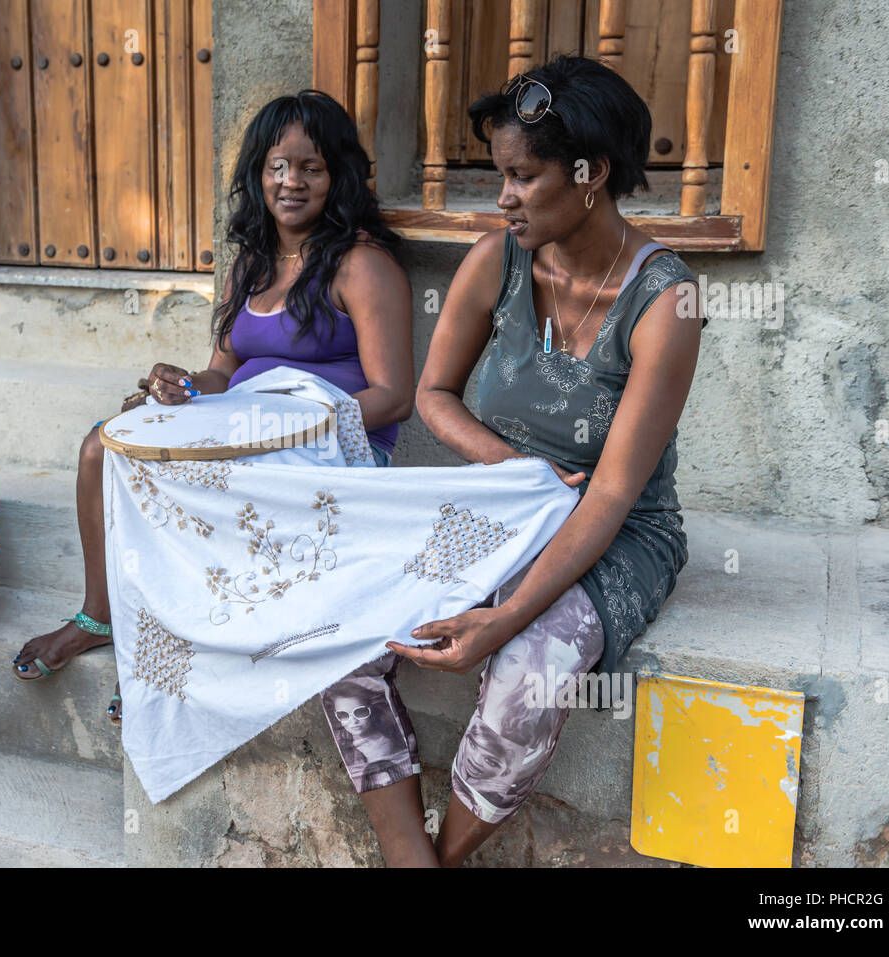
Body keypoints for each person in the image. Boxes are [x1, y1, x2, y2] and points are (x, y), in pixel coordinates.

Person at [322, 55, 707, 866]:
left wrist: (503, 618)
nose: (502, 197)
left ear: (590, 173)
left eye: (522, 177)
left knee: (530, 669)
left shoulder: (667, 300)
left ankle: (448, 852)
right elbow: (433, 395)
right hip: (501, 505)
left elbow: (605, 498)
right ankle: (407, 856)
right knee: (343, 624)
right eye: (500, 175)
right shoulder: (496, 261)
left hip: (617, 529)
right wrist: (513, 468)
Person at [12, 90, 415, 725]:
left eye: (311, 167)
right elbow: (224, 371)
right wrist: (183, 387)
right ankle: (101, 615)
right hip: (246, 424)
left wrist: (287, 427)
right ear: (258, 173)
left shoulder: (361, 265)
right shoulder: (252, 263)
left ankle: (181, 648)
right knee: (104, 443)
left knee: (201, 475)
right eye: (277, 165)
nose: (291, 181)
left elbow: (395, 397)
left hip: (331, 442)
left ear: (337, 176)